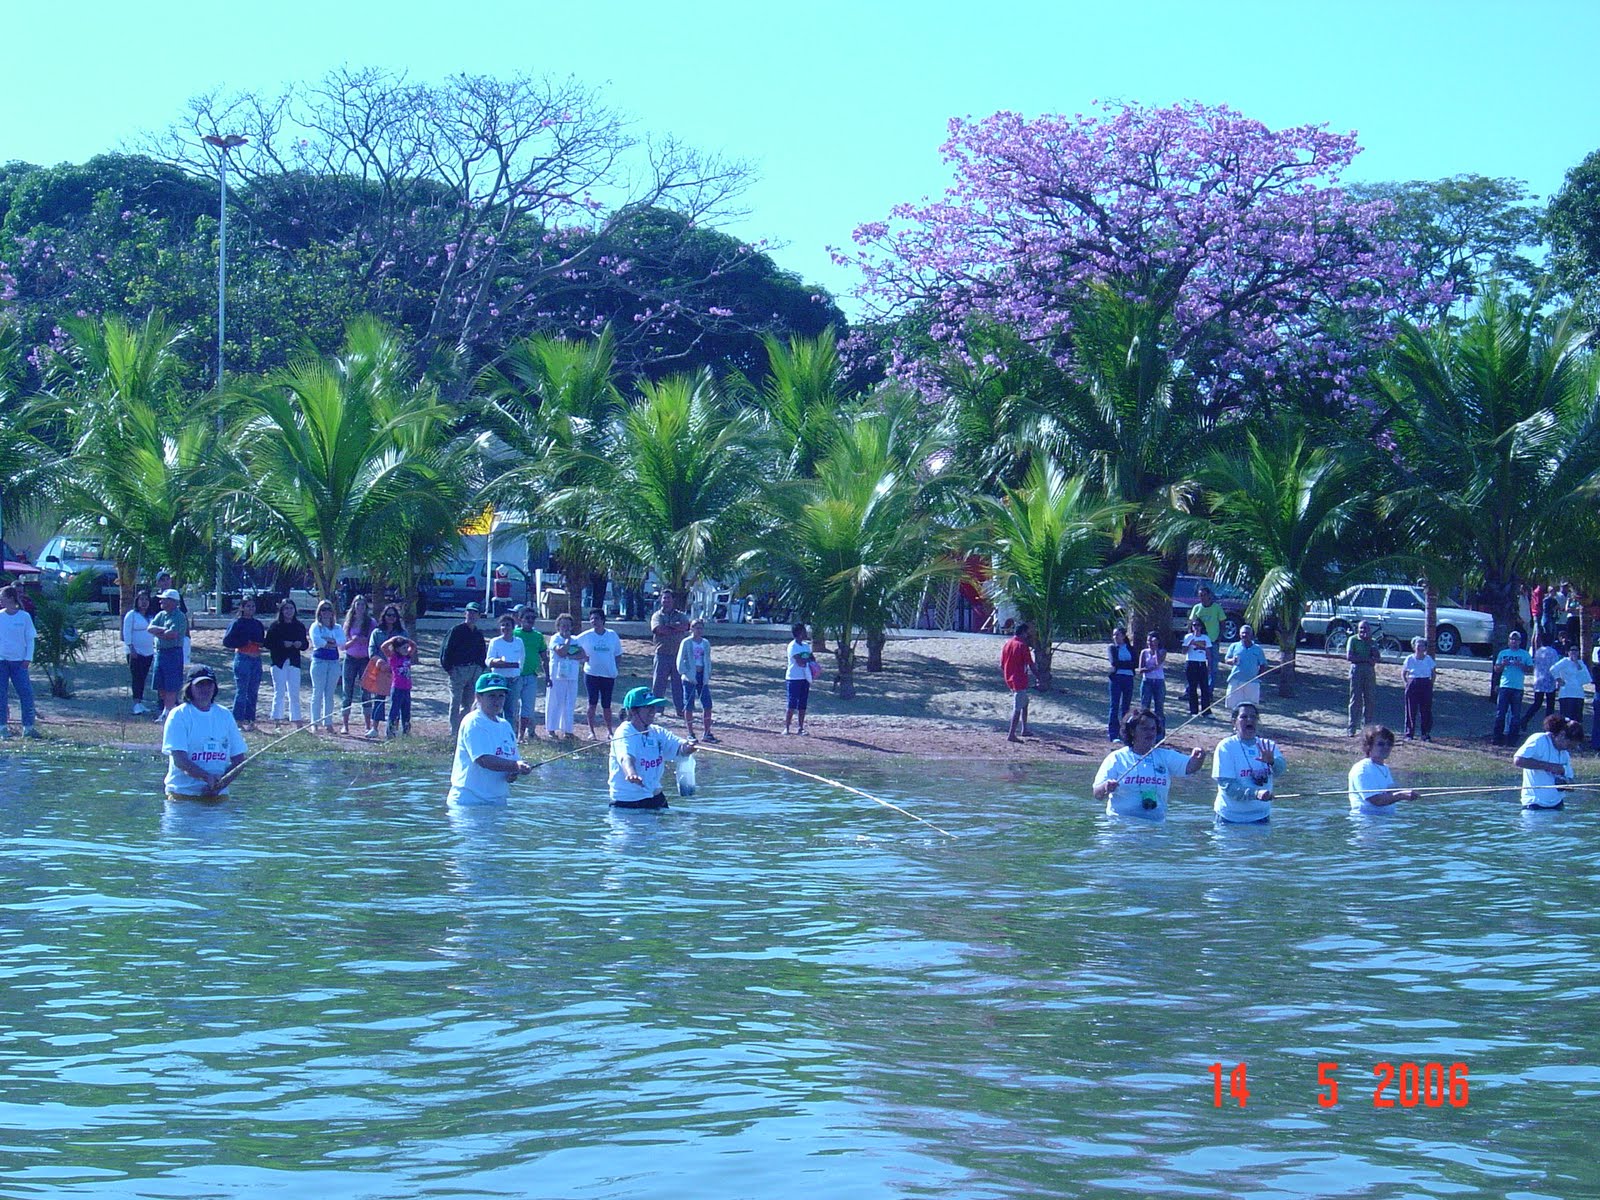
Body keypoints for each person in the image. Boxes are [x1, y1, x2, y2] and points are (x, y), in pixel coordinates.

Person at [1092, 705, 1205, 821]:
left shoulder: (1165, 756)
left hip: (1156, 826)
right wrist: (1106, 787)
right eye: (1144, 729)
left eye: (1153, 729)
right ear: (1132, 731)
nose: (1150, 733)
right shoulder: (1117, 758)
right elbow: (1097, 794)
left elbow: (1190, 767)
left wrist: (1198, 758)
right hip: (1121, 825)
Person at [162, 665, 247, 800]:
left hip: (219, 796)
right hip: (182, 796)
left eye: (209, 684)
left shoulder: (225, 715)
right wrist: (206, 777)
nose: (205, 689)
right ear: (189, 688)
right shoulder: (179, 715)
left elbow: (239, 760)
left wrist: (221, 783)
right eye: (200, 685)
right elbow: (179, 759)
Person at [446, 672, 532, 806]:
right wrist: (515, 766)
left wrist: (514, 772)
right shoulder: (473, 721)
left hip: (498, 802)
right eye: (491, 696)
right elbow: (483, 760)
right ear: (478, 697)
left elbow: (510, 765)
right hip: (469, 801)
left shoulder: (505, 726)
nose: (497, 701)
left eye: (501, 696)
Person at [609, 685, 696, 809]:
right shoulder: (624, 732)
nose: (652, 711)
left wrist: (688, 748)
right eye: (647, 707)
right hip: (627, 802)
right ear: (633, 711)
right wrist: (631, 773)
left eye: (654, 707)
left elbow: (678, 748)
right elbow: (626, 757)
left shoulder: (656, 731)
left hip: (655, 797)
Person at [1212, 703, 1285, 824]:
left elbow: (1280, 770)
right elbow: (1227, 786)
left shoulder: (1268, 745)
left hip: (1262, 818)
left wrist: (1272, 762)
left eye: (1253, 717)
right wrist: (1255, 794)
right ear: (1234, 722)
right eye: (1244, 717)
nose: (1249, 720)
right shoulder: (1226, 747)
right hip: (1229, 819)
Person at [1513, 714, 1581, 810]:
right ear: (1562, 735)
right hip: (1534, 806)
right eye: (1569, 744)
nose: (1569, 748)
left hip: (1558, 807)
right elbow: (1519, 760)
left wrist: (1566, 783)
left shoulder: (1564, 754)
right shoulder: (1539, 740)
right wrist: (1550, 766)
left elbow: (1571, 782)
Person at [1347, 725, 1422, 812]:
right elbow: (1376, 800)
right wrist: (1401, 795)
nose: (1386, 747)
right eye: (1381, 744)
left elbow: (1389, 792)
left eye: (1389, 744)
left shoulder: (1385, 768)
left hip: (1386, 818)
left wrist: (1409, 793)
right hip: (1366, 818)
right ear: (1368, 746)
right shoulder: (1362, 769)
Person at [440, 603, 488, 730]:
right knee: (455, 701)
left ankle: (464, 729)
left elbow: (482, 653)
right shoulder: (456, 630)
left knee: (468, 703)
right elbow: (445, 650)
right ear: (465, 613)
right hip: (458, 670)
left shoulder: (478, 633)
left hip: (473, 671)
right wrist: (450, 669)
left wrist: (479, 669)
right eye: (469, 612)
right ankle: (454, 730)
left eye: (475, 613)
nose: (471, 615)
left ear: (479, 616)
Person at [0, 585, 40, 739]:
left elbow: (30, 639)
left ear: (11, 598)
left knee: (26, 693)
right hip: (2, 661)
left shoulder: (24, 617)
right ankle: (2, 727)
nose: (1, 601)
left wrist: (28, 658)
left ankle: (28, 727)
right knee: (1, 695)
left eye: (3, 598)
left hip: (19, 662)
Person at [576, 608, 622, 740]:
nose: (593, 621)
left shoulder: (612, 635)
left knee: (606, 705)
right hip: (591, 674)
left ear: (603, 620)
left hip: (608, 675)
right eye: (591, 619)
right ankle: (591, 731)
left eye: (596, 618)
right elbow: (573, 645)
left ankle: (610, 731)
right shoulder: (586, 635)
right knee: (592, 703)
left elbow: (618, 654)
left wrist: (614, 668)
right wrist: (582, 658)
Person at [222, 595, 266, 730]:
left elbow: (262, 640)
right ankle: (238, 720)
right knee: (242, 691)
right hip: (243, 658)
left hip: (256, 659)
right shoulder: (237, 623)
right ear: (242, 607)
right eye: (248, 606)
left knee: (253, 691)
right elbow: (227, 641)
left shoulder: (257, 624)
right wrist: (243, 642)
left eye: (253, 606)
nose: (251, 609)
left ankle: (250, 720)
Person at [263, 598, 307, 727]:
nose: (289, 611)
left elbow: (305, 644)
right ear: (281, 611)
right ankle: (277, 720)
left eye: (291, 608)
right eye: (286, 608)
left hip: (294, 662)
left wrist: (299, 644)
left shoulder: (299, 626)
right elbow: (268, 643)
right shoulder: (275, 626)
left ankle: (296, 720)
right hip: (278, 662)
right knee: (279, 692)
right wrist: (282, 644)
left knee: (294, 692)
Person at [148, 588, 190, 721]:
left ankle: (167, 712)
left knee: (171, 685)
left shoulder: (179, 616)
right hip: (160, 652)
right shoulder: (161, 615)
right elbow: (150, 628)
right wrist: (163, 631)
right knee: (160, 684)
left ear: (172, 601)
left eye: (164, 599)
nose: (160, 601)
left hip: (173, 653)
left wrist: (159, 632)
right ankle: (170, 708)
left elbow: (172, 635)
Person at [649, 588, 692, 718]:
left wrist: (669, 626)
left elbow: (686, 626)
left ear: (673, 600)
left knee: (678, 684)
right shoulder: (657, 616)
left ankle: (680, 709)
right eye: (664, 598)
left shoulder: (681, 615)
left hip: (678, 655)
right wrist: (676, 627)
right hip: (662, 654)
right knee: (658, 684)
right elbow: (658, 629)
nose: (666, 601)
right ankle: (657, 709)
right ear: (661, 600)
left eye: (668, 598)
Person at [485, 613, 528, 735]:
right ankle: (495, 734)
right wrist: (497, 662)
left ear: (513, 627)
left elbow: (521, 659)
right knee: (496, 709)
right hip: (499, 681)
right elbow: (488, 660)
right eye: (503, 625)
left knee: (511, 711)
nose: (505, 628)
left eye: (508, 625)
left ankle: (510, 735)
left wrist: (517, 672)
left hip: (514, 680)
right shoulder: (495, 642)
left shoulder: (518, 642)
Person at [513, 606, 551, 741]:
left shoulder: (538, 636)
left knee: (528, 707)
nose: (530, 620)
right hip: (515, 676)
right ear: (520, 619)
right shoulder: (514, 634)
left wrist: (548, 676)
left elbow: (544, 658)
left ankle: (521, 735)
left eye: (533, 618)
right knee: (513, 706)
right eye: (527, 618)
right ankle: (512, 733)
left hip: (531, 676)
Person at [340, 595, 376, 737]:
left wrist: (363, 640)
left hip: (365, 660)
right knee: (347, 691)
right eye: (357, 604)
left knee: (366, 691)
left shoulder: (371, 623)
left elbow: (374, 641)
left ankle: (367, 725)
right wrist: (354, 641)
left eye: (362, 605)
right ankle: (345, 724)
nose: (360, 607)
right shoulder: (348, 622)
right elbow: (343, 645)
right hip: (350, 659)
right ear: (353, 606)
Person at [367, 604, 407, 732]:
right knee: (379, 698)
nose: (391, 618)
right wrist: (380, 662)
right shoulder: (377, 632)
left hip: (397, 672)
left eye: (394, 615)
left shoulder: (402, 633)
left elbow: (407, 650)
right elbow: (372, 651)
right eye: (388, 615)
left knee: (397, 701)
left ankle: (393, 729)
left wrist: (395, 664)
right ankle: (374, 728)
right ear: (384, 616)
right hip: (382, 669)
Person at [1491, 631, 1534, 744]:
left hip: (1517, 687)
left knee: (1515, 715)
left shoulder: (1524, 654)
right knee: (1500, 713)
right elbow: (1496, 669)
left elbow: (1531, 669)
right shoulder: (1503, 653)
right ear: (1509, 641)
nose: (1514, 641)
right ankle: (1497, 738)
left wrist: (1521, 665)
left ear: (1519, 641)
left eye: (1516, 639)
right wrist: (1503, 664)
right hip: (1505, 686)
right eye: (1512, 639)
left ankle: (1512, 739)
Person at [546, 612, 585, 738]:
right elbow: (561, 652)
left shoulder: (576, 640)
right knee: (555, 702)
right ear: (558, 626)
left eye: (568, 626)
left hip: (572, 675)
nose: (566, 628)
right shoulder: (555, 639)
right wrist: (567, 642)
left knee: (569, 703)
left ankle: (567, 730)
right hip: (557, 676)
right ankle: (551, 729)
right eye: (563, 625)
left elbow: (582, 654)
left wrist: (570, 656)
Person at [676, 617, 715, 741]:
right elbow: (680, 660)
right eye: (696, 628)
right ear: (691, 629)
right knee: (689, 705)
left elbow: (707, 659)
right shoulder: (686, 642)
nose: (699, 631)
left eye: (701, 628)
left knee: (707, 704)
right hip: (690, 677)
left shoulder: (705, 643)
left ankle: (707, 733)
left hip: (702, 676)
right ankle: (690, 733)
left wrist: (707, 673)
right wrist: (686, 673)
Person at [308, 599, 342, 733]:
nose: (326, 612)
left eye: (329, 609)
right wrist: (330, 642)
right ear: (319, 612)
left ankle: (328, 722)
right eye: (323, 609)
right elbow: (317, 641)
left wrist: (329, 641)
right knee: (317, 692)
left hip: (334, 662)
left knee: (330, 694)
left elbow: (342, 641)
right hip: (319, 662)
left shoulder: (337, 627)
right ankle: (314, 723)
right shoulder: (315, 626)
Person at [121, 588, 156, 716]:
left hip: (148, 651)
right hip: (135, 651)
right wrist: (131, 648)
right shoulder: (131, 615)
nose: (144, 602)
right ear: (137, 601)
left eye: (146, 599)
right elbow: (126, 633)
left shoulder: (151, 616)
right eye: (141, 599)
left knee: (143, 677)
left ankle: (140, 702)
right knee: (136, 677)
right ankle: (136, 703)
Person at [1001, 621, 1036, 742]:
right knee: (1017, 707)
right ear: (1023, 632)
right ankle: (1011, 734)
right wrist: (1039, 677)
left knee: (1025, 702)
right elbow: (1030, 664)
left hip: (1010, 678)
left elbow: (1002, 664)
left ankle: (1024, 729)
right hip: (1019, 680)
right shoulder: (1022, 646)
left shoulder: (1008, 644)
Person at [1345, 619, 1380, 735]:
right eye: (1361, 628)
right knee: (1355, 699)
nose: (1363, 631)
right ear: (1358, 629)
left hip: (1369, 671)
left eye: (1366, 629)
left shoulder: (1372, 641)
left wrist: (1370, 645)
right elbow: (1350, 657)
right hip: (1356, 670)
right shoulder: (1353, 640)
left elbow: (1377, 657)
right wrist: (1367, 659)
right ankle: (1352, 728)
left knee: (1369, 699)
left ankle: (1367, 728)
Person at [1520, 632, 1561, 731]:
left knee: (1537, 703)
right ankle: (1548, 726)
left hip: (1539, 680)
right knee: (1550, 705)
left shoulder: (1538, 652)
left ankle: (1525, 719)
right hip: (1550, 680)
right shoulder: (1553, 652)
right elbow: (1556, 667)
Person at [1223, 624, 1269, 713]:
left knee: (1251, 707)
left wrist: (1258, 677)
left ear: (1251, 635)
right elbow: (1226, 660)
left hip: (1252, 682)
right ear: (1239, 634)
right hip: (1236, 680)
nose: (1244, 635)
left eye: (1247, 633)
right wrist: (1232, 660)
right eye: (1242, 633)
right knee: (1233, 706)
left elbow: (1263, 665)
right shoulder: (1234, 646)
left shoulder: (1257, 649)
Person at [380, 632, 416, 737]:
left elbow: (413, 646)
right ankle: (390, 733)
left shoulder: (408, 657)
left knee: (406, 712)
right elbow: (384, 647)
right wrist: (393, 639)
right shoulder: (394, 658)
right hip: (397, 688)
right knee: (394, 712)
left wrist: (406, 640)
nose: (406, 650)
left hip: (407, 688)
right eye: (403, 648)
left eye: (406, 648)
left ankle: (406, 733)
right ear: (397, 649)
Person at [1400, 637, 1436, 742]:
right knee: (1410, 710)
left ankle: (1425, 734)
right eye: (1417, 645)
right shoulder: (1409, 659)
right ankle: (1409, 734)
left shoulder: (1428, 659)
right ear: (1414, 646)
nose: (1419, 648)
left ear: (1425, 647)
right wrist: (1407, 684)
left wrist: (1430, 684)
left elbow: (1433, 673)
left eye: (1422, 645)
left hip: (1425, 684)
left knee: (1426, 710)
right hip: (1413, 683)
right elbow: (1403, 673)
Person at [1105, 626, 1136, 742]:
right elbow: (1114, 662)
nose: (1115, 637)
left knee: (1126, 707)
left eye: (1117, 635)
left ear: (1123, 636)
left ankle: (1124, 733)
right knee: (1114, 705)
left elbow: (1135, 663)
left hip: (1128, 678)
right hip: (1116, 678)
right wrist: (1127, 664)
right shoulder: (1112, 648)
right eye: (1114, 635)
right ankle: (1113, 734)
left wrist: (1123, 664)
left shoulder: (1130, 648)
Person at [785, 622, 815, 736]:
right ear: (799, 633)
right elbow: (800, 662)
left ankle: (801, 727)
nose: (806, 633)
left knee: (802, 704)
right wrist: (807, 659)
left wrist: (806, 659)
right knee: (792, 704)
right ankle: (787, 727)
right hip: (793, 678)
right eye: (804, 631)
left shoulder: (806, 646)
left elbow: (812, 658)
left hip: (804, 677)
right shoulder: (792, 646)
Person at [1551, 641, 1590, 726]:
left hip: (1578, 694)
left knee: (1577, 720)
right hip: (1566, 694)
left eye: (1576, 650)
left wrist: (1577, 665)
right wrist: (1558, 679)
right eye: (1572, 650)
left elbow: (1587, 678)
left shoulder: (1581, 663)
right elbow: (1553, 669)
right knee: (1566, 719)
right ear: (1568, 652)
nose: (1574, 652)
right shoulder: (1565, 661)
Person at [1182, 618, 1213, 717]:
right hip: (1191, 663)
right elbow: (1184, 652)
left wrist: (1209, 666)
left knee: (1204, 688)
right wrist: (1189, 643)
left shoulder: (1205, 638)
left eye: (1198, 625)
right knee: (1192, 688)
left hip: (1202, 663)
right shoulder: (1188, 637)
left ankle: (1206, 711)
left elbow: (1208, 653)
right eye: (1194, 625)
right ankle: (1194, 711)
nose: (1196, 627)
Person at [1137, 631, 1167, 734]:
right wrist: (1150, 669)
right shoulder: (1144, 652)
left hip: (1159, 681)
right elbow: (1140, 669)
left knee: (1159, 708)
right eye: (1148, 641)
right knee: (1145, 707)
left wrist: (1155, 650)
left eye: (1152, 641)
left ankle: (1160, 733)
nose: (1150, 643)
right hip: (1147, 681)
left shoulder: (1162, 651)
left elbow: (1159, 662)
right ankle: (1143, 731)